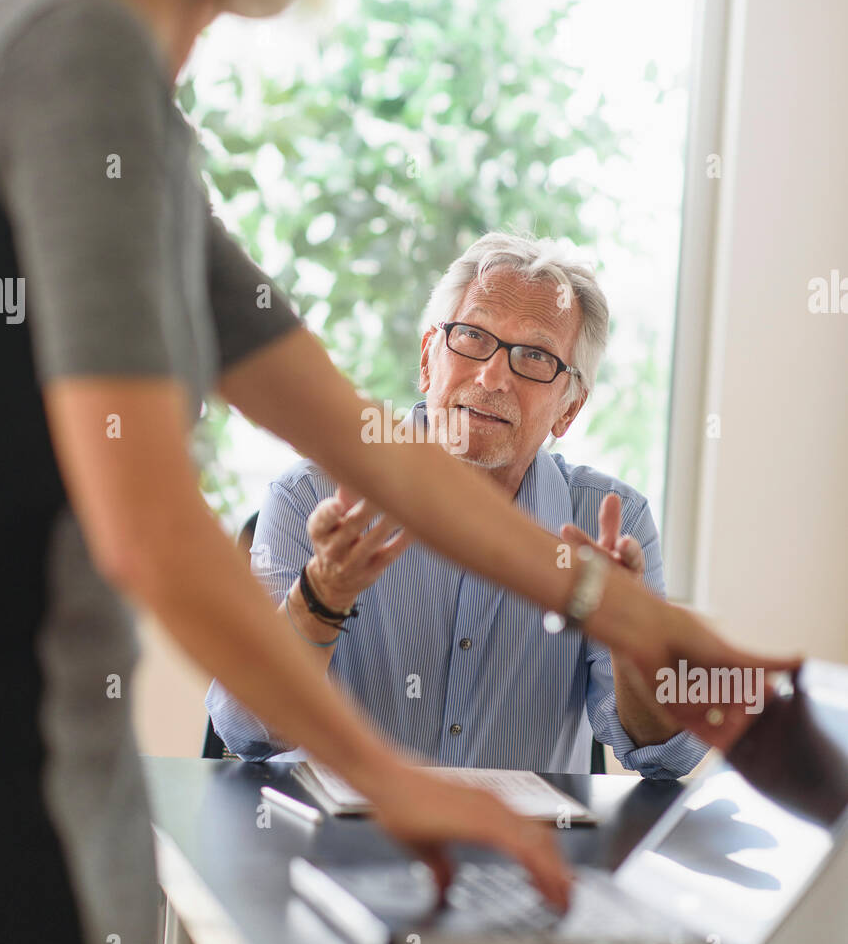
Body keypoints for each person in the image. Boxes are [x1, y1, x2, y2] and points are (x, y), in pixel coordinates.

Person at [0, 0, 798, 944]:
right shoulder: (74, 54)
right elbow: (145, 516)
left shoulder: (129, 113)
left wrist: (635, 614)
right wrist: (381, 767)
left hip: (55, 774)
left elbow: (373, 441)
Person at [208, 232, 708, 780]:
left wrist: (629, 631)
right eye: (472, 337)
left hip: (527, 854)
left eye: (535, 357)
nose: (493, 377)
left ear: (570, 408)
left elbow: (668, 756)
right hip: (344, 847)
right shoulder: (308, 495)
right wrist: (323, 594)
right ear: (428, 359)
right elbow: (244, 727)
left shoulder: (612, 523)